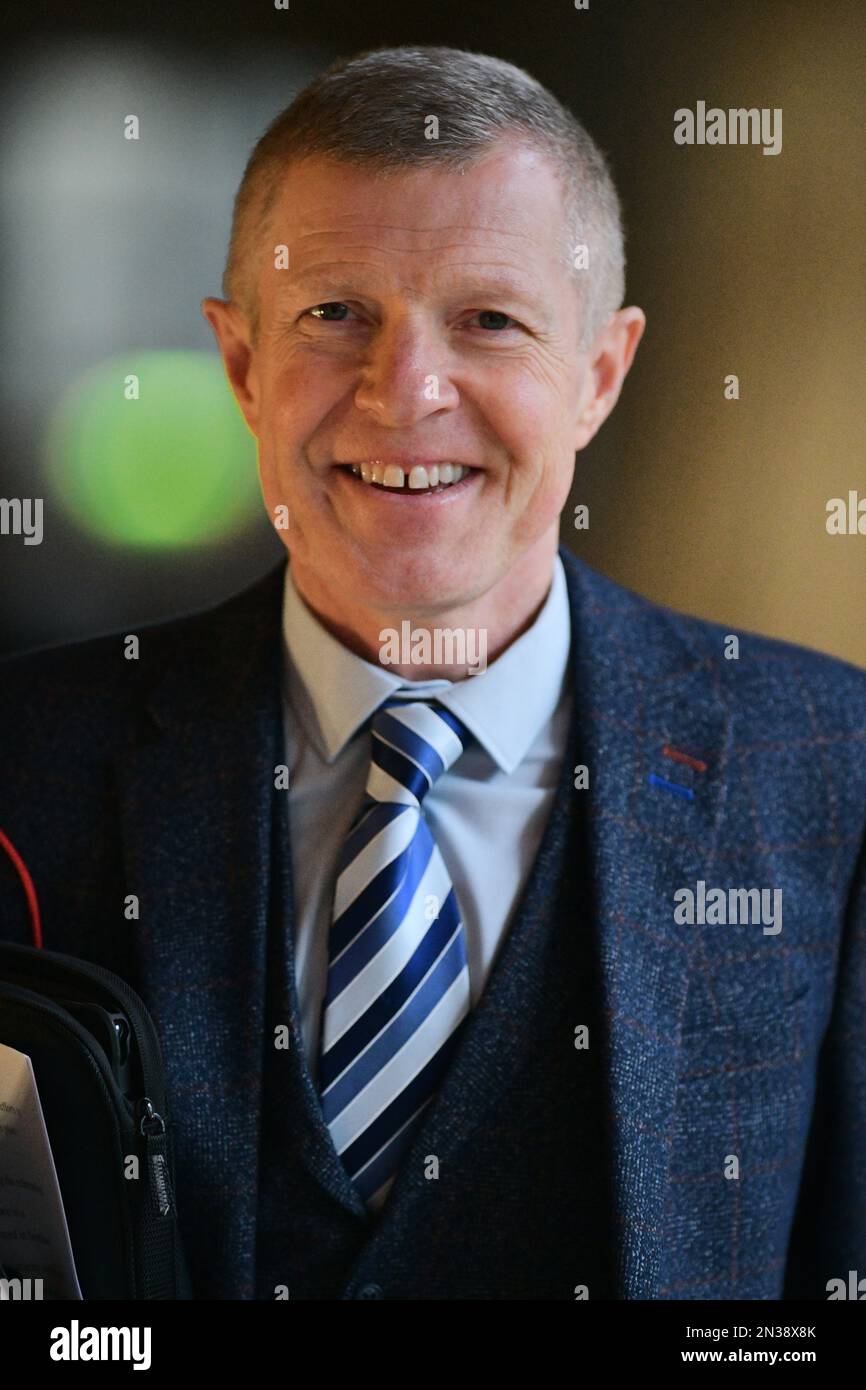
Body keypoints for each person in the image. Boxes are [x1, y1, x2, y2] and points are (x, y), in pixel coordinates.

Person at [1, 44, 864, 1301]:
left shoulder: (832, 769)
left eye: (488, 320)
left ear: (599, 374)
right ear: (240, 365)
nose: (404, 393)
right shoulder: (25, 757)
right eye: (334, 313)